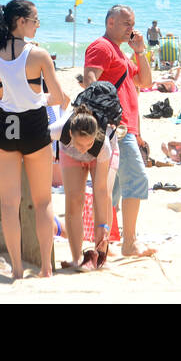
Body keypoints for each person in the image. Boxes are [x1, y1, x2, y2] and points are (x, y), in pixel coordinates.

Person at [0, 0, 69, 279]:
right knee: (43, 202)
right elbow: (59, 98)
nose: (37, 25)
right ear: (21, 22)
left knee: (9, 204)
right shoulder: (38, 55)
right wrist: (36, 97)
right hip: (34, 129)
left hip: (4, 130)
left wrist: (6, 100)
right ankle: (45, 267)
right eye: (35, 20)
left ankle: (16, 269)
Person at [83, 4, 156, 258]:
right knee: (136, 179)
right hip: (115, 127)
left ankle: (106, 242)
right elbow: (90, 78)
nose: (131, 29)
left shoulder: (121, 54)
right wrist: (102, 119)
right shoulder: (102, 47)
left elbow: (144, 82)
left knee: (111, 188)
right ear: (110, 22)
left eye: (132, 24)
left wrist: (140, 52)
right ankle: (129, 242)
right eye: (126, 23)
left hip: (127, 128)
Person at [55, 109, 113, 272]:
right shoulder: (59, 129)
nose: (83, 148)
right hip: (69, 156)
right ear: (70, 134)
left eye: (88, 144)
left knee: (101, 199)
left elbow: (100, 191)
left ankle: (100, 255)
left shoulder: (103, 144)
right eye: (79, 143)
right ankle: (76, 258)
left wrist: (103, 227)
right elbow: (39, 138)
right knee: (74, 201)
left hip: (98, 158)